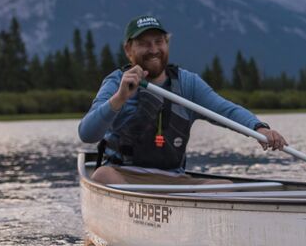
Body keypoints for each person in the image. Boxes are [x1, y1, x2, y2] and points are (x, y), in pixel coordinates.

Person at [79, 14, 287, 184]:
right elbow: (87, 133)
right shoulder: (116, 82)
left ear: (167, 44)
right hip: (124, 175)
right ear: (128, 50)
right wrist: (120, 98)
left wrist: (259, 128)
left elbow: (226, 111)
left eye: (159, 42)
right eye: (144, 44)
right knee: (102, 175)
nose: (154, 50)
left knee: (222, 187)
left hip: (173, 179)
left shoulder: (187, 83)